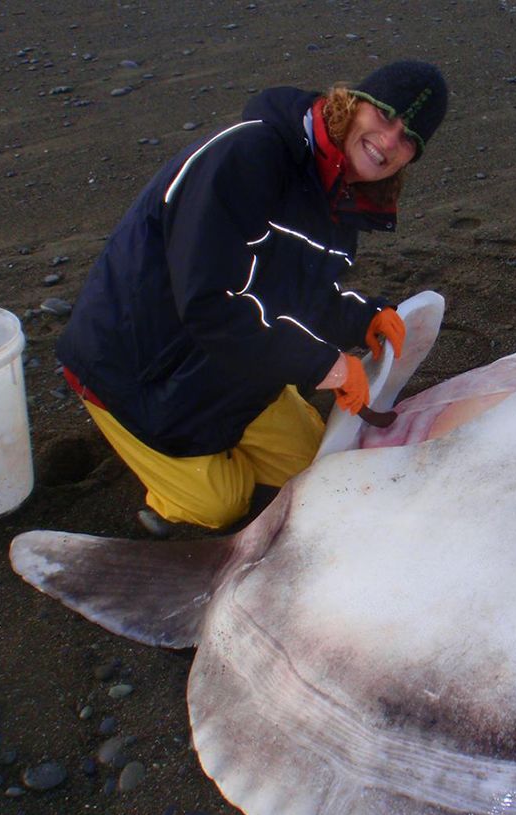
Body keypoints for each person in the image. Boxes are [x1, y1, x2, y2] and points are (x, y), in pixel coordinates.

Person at [56, 60, 449, 537]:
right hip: (137, 369)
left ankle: (211, 447)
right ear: (354, 102)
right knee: (222, 503)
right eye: (385, 116)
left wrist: (358, 318)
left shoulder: (344, 193)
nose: (388, 141)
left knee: (312, 465)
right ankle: (168, 488)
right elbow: (209, 304)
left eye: (408, 138)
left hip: (225, 364)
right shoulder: (249, 155)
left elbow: (294, 288)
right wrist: (325, 365)